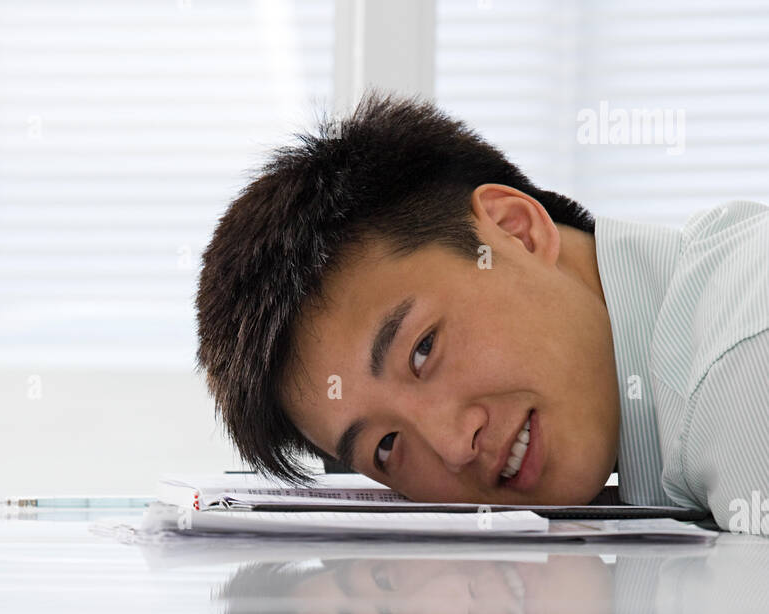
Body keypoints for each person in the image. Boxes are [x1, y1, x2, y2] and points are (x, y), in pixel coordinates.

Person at [196, 92, 769, 534]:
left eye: (422, 350)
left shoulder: (741, 367)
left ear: (514, 231)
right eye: (386, 447)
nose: (452, 445)